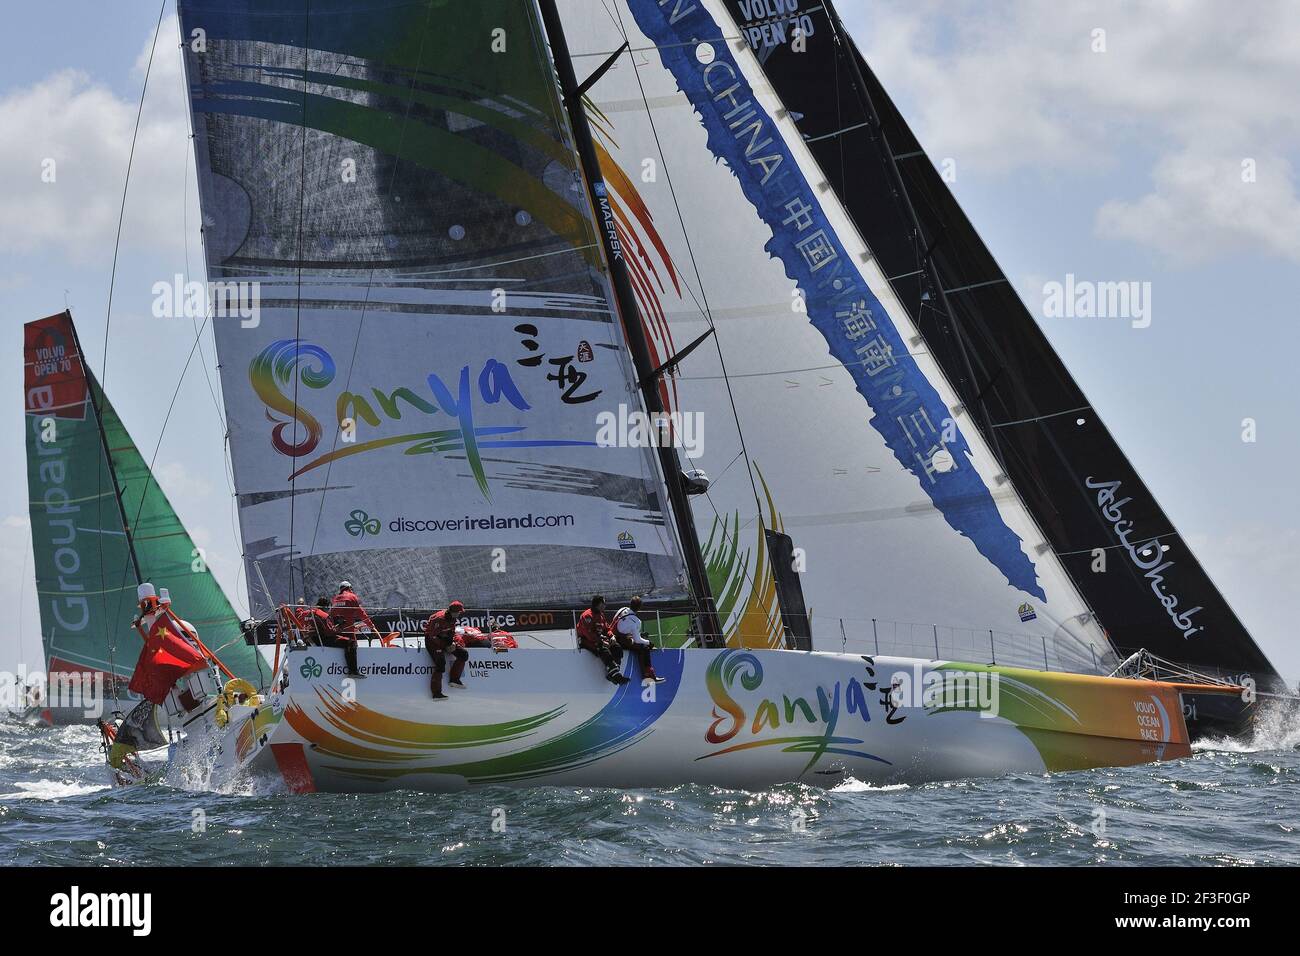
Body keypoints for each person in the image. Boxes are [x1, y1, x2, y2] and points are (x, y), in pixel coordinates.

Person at [577, 595, 629, 685]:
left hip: (600, 639)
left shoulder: (601, 615)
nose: (605, 606)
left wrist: (611, 636)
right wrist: (602, 642)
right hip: (587, 641)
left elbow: (607, 629)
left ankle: (614, 673)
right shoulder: (587, 616)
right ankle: (617, 676)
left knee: (617, 647)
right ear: (598, 605)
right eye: (603, 604)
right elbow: (589, 634)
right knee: (603, 649)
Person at [423, 600, 469, 700]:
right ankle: (436, 694)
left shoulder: (453, 618)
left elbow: (451, 632)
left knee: (463, 654)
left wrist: (451, 643)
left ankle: (454, 680)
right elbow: (432, 636)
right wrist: (444, 646)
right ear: (452, 611)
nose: (459, 614)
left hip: (443, 639)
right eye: (458, 612)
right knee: (440, 663)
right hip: (432, 641)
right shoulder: (438, 618)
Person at [611, 596, 662, 682]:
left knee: (639, 643)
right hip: (620, 640)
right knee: (644, 648)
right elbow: (638, 640)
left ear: (630, 604)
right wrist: (649, 643)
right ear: (639, 608)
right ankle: (648, 675)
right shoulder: (636, 621)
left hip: (611, 636)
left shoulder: (622, 609)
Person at [311, 597, 363, 678]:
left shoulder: (309, 611)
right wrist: (340, 626)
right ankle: (353, 671)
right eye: (329, 608)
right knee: (351, 642)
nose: (329, 610)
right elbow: (330, 632)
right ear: (326, 606)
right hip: (323, 640)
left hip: (313, 639)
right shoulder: (323, 614)